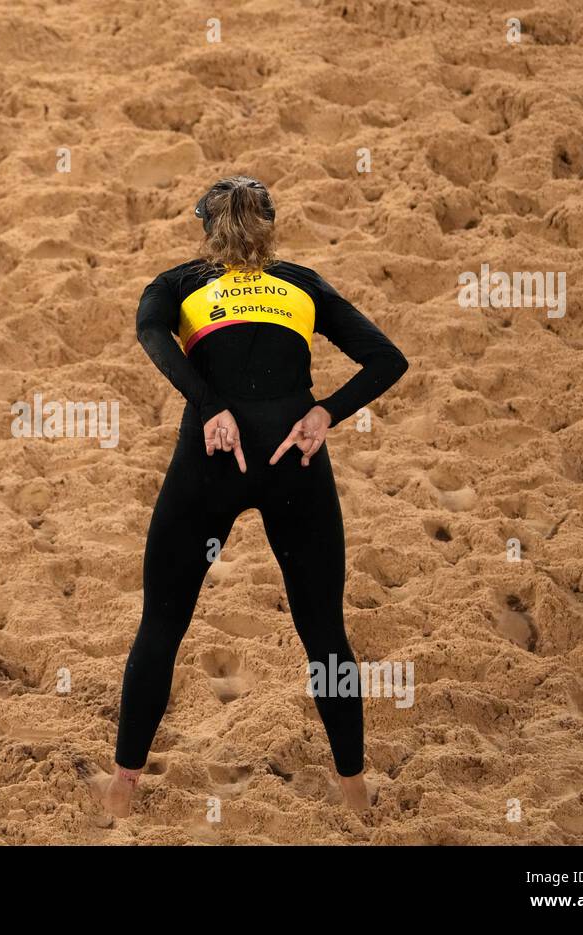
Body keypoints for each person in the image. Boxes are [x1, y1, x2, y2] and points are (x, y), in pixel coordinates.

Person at [101, 176, 409, 818]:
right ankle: (355, 793)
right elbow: (386, 359)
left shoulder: (179, 283)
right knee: (326, 632)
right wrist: (327, 413)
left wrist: (210, 403)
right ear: (270, 227)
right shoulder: (301, 282)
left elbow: (151, 335)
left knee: (161, 624)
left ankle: (123, 792)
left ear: (205, 230)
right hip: (292, 456)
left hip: (213, 455)